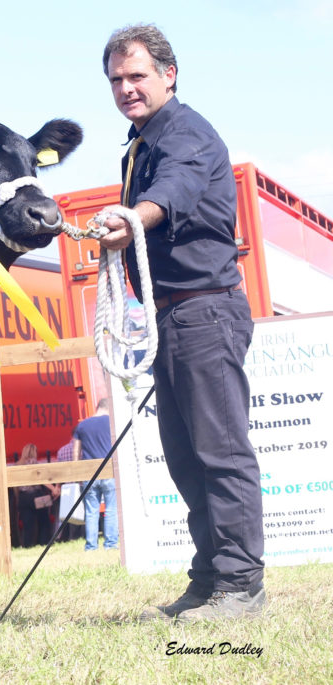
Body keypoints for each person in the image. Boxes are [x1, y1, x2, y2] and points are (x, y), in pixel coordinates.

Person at [99, 24, 265, 621]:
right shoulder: (141, 143)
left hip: (204, 312)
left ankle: (241, 587)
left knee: (220, 452)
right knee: (186, 456)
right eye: (116, 79)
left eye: (137, 75)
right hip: (171, 317)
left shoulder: (186, 133)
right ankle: (209, 580)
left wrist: (131, 219)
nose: (126, 88)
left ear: (169, 75)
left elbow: (173, 191)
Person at [73, 399, 117, 550]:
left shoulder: (82, 425)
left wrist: (77, 474)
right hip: (109, 471)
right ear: (108, 408)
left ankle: (91, 546)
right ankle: (110, 544)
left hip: (89, 473)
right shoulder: (111, 422)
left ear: (97, 407)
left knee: (91, 511)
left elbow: (76, 452)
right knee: (111, 509)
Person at [13, 443, 56, 548]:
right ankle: (44, 543)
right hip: (36, 496)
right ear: (34, 452)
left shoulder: (17, 465)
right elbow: (41, 479)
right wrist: (53, 488)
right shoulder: (34, 463)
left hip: (23, 497)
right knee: (44, 521)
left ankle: (27, 545)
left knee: (28, 525)